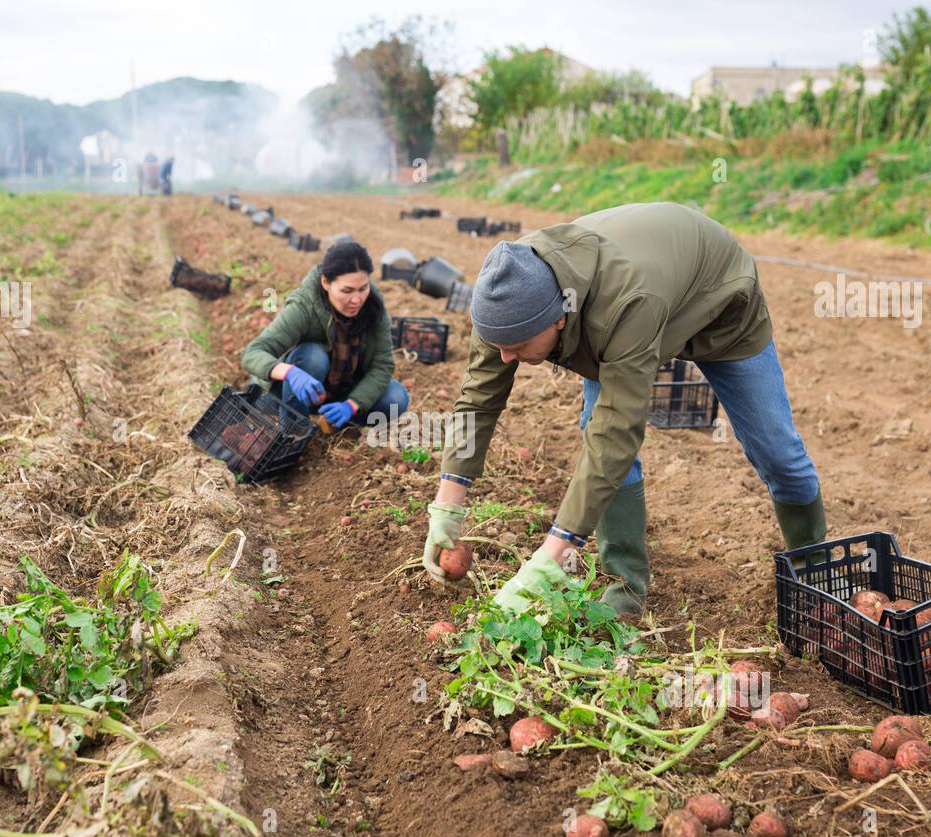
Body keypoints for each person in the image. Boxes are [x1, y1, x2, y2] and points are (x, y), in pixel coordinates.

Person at [422, 202, 826, 615]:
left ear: (558, 320)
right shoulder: (508, 293)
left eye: (519, 348)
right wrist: (447, 505)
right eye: (498, 346)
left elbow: (617, 431)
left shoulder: (623, 304)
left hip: (718, 299)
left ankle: (814, 572)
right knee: (593, 426)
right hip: (632, 299)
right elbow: (478, 397)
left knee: (779, 452)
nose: (505, 357)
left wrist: (551, 556)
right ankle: (625, 587)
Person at [241, 241, 410, 429]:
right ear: (325, 283)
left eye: (363, 289)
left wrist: (352, 404)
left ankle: (335, 424)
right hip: (293, 393)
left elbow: (383, 365)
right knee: (312, 356)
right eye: (346, 291)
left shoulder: (373, 307)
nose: (356, 299)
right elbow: (253, 353)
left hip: (340, 391)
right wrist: (290, 372)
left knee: (396, 397)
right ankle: (293, 429)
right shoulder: (304, 305)